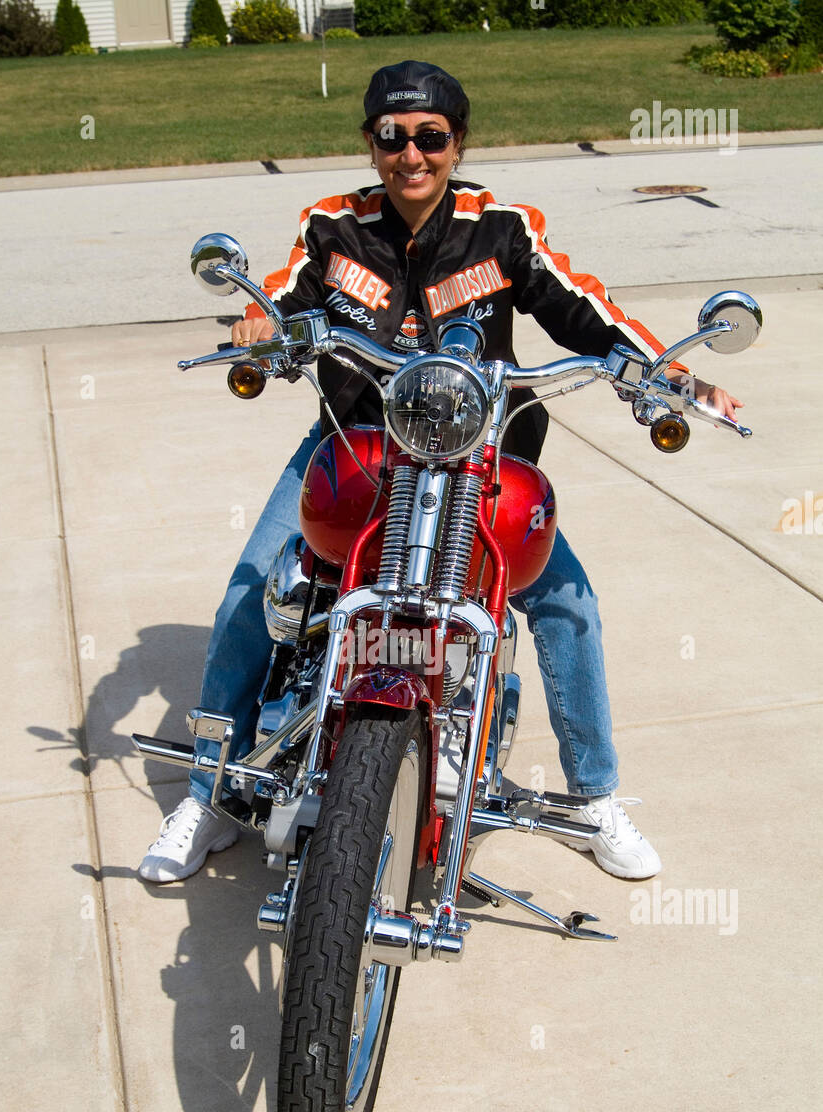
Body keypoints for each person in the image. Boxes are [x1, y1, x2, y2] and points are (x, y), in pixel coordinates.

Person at [139, 60, 741, 886]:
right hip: (358, 447)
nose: (410, 154)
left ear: (457, 142)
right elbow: (281, 292)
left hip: (479, 459)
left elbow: (583, 309)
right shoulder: (333, 227)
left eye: (430, 136)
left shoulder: (501, 230)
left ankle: (593, 797)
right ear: (370, 141)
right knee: (253, 592)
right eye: (392, 136)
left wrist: (664, 373)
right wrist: (260, 319)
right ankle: (209, 795)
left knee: (566, 605)